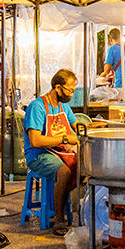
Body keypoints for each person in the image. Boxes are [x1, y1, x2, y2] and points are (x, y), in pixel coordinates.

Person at [23, 69, 84, 233]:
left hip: (59, 151)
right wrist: (65, 139)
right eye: (69, 90)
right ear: (57, 87)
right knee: (64, 172)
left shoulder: (64, 106)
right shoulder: (37, 107)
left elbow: (76, 125)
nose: (71, 94)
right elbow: (35, 141)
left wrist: (91, 129)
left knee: (87, 167)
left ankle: (80, 212)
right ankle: (59, 218)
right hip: (39, 155)